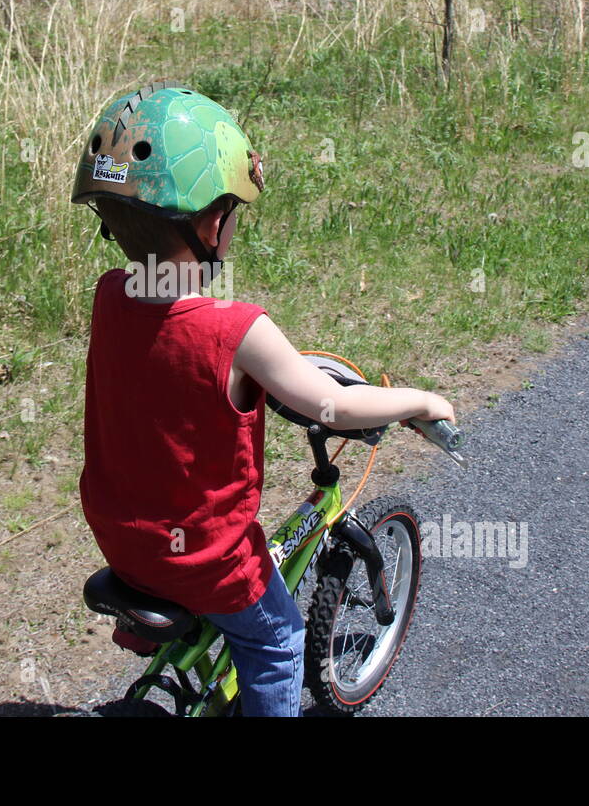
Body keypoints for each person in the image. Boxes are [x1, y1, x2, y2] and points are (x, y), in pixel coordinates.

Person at [72, 81, 455, 716]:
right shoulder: (238, 329)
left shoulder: (110, 295)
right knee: (280, 643)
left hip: (120, 534)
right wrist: (420, 402)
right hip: (207, 559)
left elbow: (168, 363)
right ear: (214, 224)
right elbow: (332, 406)